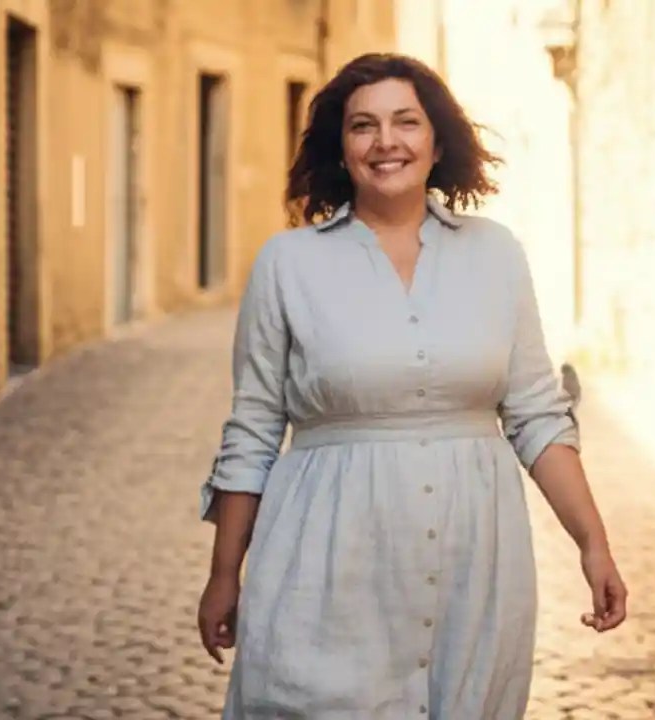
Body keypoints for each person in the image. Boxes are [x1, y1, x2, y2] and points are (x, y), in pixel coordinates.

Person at [196, 52, 627, 719]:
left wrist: (593, 543)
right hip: (328, 555)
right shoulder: (289, 263)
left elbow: (538, 414)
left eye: (406, 122)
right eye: (363, 126)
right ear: (340, 148)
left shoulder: (495, 253)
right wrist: (224, 576)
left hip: (474, 563)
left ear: (438, 140)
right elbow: (252, 429)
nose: (386, 142)